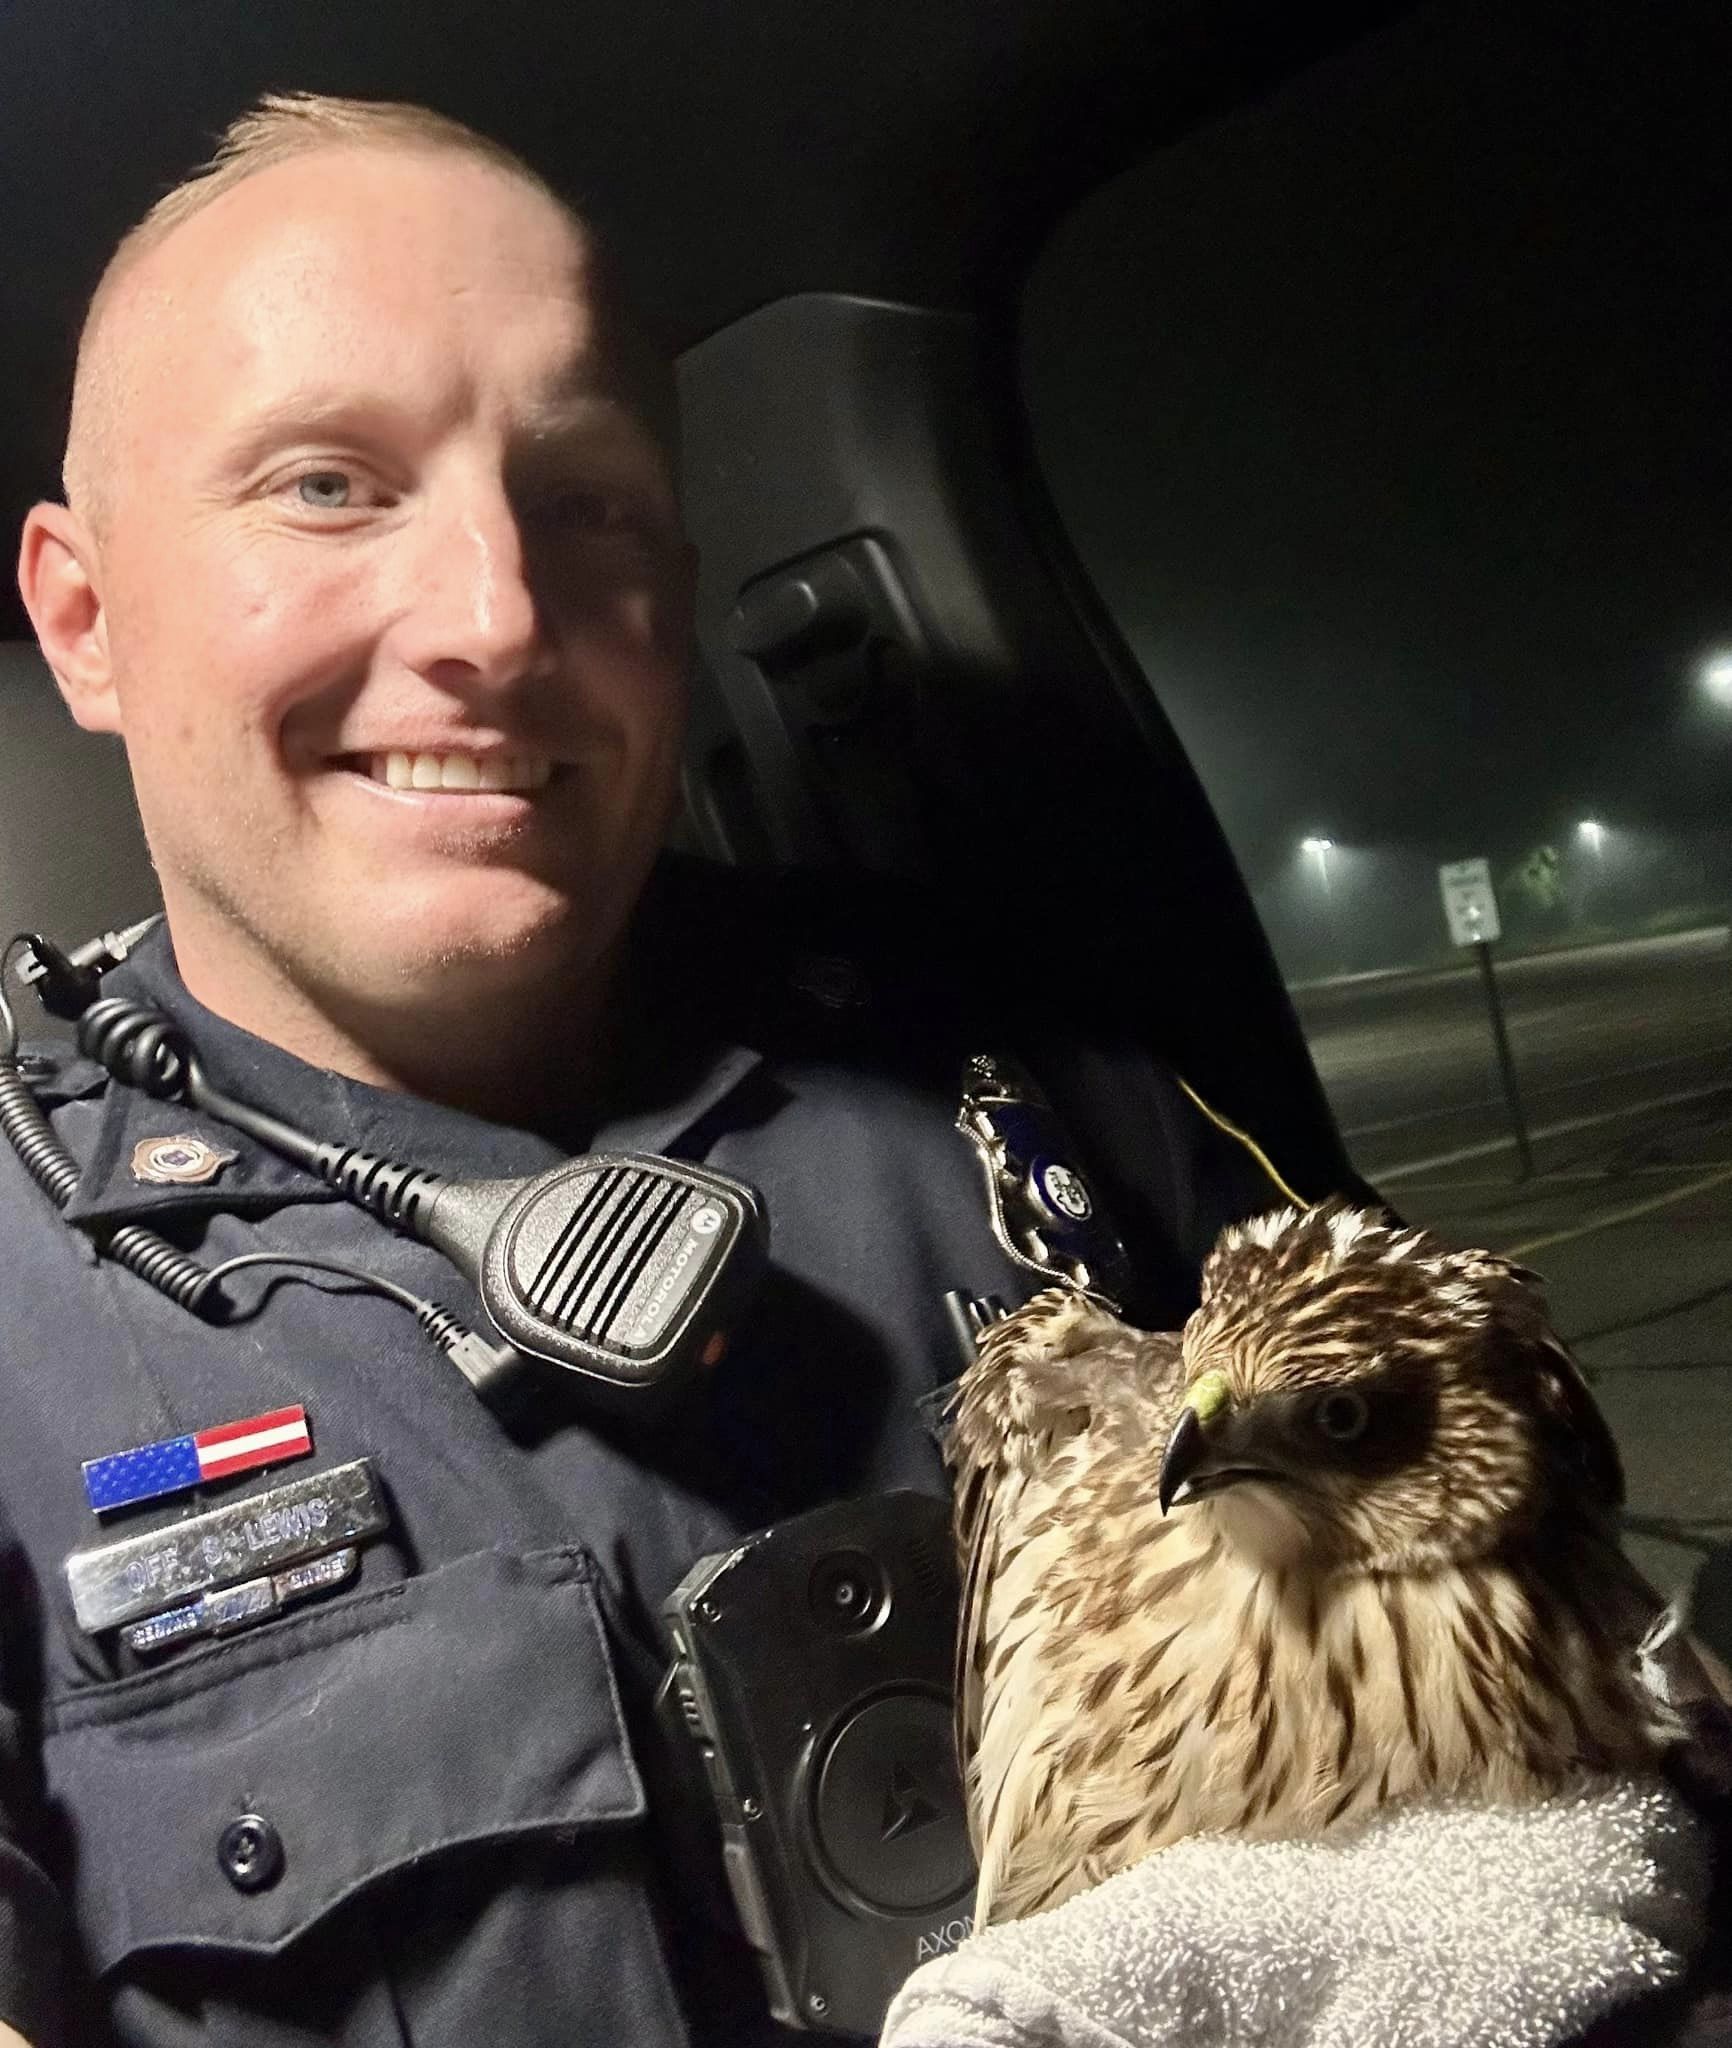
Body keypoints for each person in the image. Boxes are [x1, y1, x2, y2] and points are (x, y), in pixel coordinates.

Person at [1, 95, 1295, 2048]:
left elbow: (1482, 1666)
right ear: (86, 621)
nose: (498, 617)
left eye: (586, 497)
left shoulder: (1030, 1083)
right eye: (330, 487)